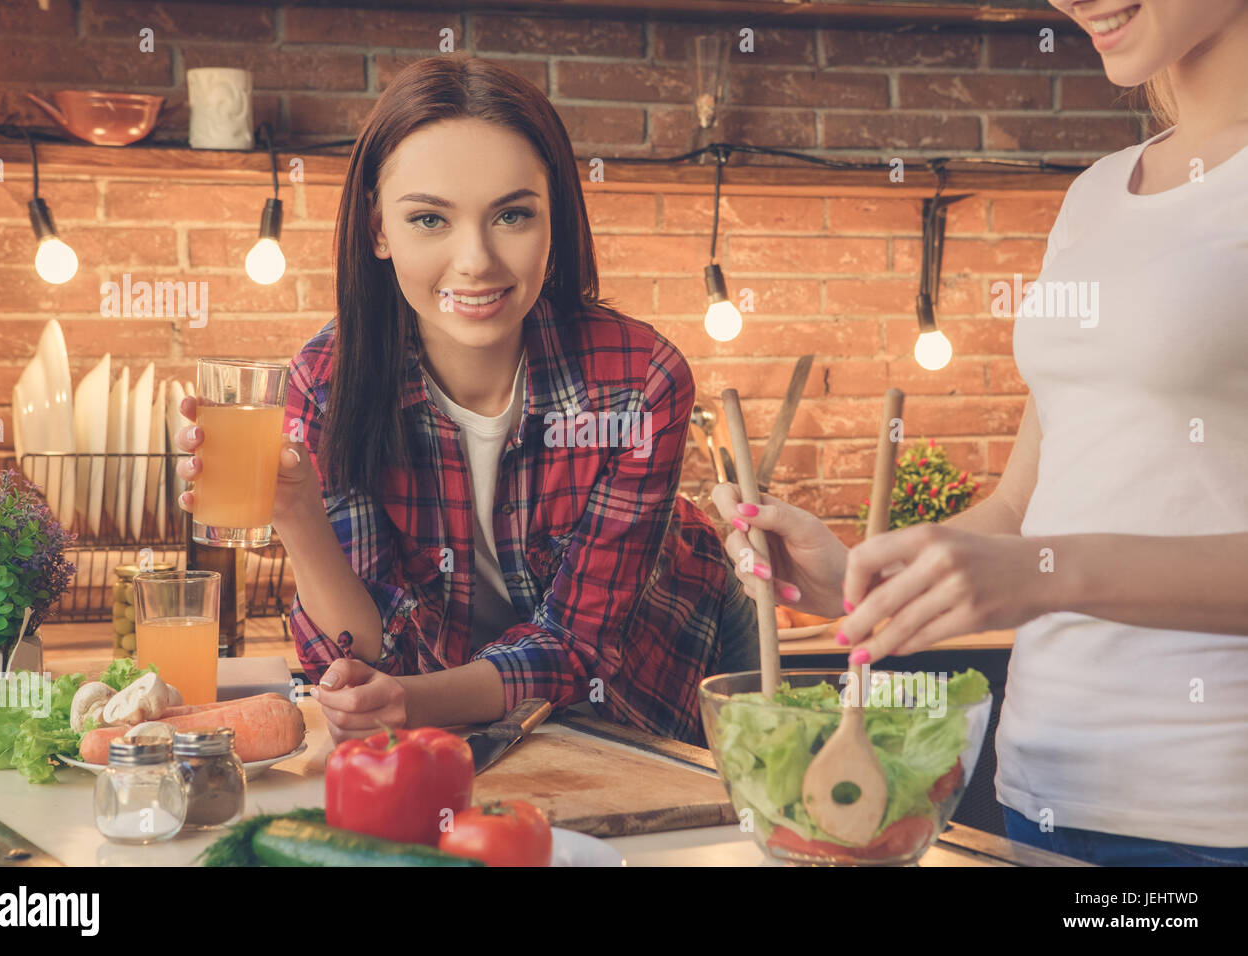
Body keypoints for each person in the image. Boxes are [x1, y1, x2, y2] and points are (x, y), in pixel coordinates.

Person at [714, 0, 1248, 865]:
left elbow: (1037, 559)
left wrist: (1045, 575)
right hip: (1040, 794)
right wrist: (853, 576)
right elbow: (1018, 509)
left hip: (1215, 821)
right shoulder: (1097, 195)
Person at [175, 54, 762, 748]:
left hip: (672, 672)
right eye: (430, 219)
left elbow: (576, 649)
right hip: (458, 708)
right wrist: (296, 515)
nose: (476, 259)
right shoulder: (326, 383)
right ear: (377, 230)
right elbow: (358, 653)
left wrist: (406, 703)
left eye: (512, 214)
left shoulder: (640, 381)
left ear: (557, 221)